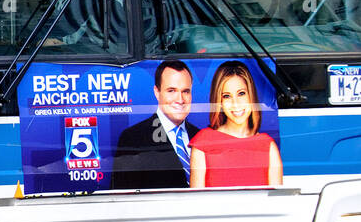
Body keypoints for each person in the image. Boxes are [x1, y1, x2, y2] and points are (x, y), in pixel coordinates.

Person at [109, 58, 199, 189]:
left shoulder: (199, 136)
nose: (180, 99)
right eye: (171, 91)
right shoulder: (133, 138)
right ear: (157, 92)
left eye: (185, 91)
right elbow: (124, 198)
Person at [190, 60, 282, 187]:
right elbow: (196, 203)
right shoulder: (203, 143)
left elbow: (275, 203)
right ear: (219, 101)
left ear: (251, 96)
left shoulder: (268, 146)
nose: (236, 103)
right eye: (227, 96)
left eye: (241, 94)